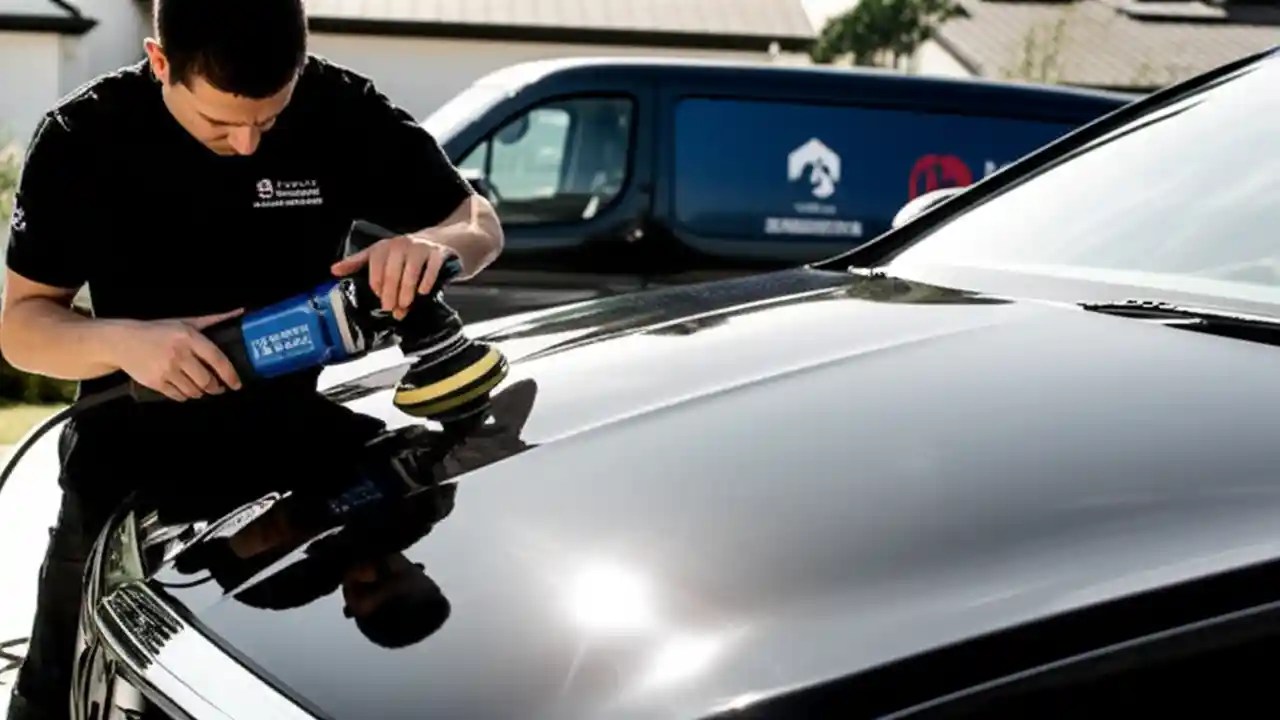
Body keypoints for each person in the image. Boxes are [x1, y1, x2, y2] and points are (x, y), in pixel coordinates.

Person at [0, 0, 503, 716]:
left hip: (301, 450)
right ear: (160, 61)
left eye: (268, 120)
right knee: (56, 693)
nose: (246, 146)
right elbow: (21, 327)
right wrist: (123, 342)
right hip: (128, 466)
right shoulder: (84, 139)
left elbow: (477, 219)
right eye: (218, 124)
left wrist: (436, 250)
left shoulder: (339, 109)